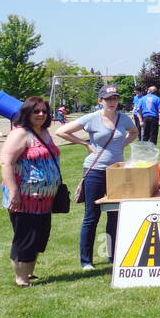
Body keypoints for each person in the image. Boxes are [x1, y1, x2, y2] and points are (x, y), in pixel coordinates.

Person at [56, 85, 138, 269]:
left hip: (117, 171)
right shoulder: (91, 119)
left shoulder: (123, 118)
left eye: (114, 98)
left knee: (115, 215)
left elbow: (134, 132)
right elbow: (61, 131)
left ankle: (112, 255)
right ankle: (86, 261)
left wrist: (123, 144)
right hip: (95, 171)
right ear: (100, 101)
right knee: (91, 217)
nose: (112, 102)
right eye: (108, 99)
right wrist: (84, 143)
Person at [0, 96, 62, 287]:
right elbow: (6, 162)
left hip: (45, 198)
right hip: (25, 197)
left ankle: (30, 272)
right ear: (27, 113)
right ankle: (21, 278)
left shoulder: (43, 132)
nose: (41, 114)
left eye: (44, 111)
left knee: (39, 237)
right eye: (36, 111)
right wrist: (13, 192)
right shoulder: (20, 133)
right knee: (25, 238)